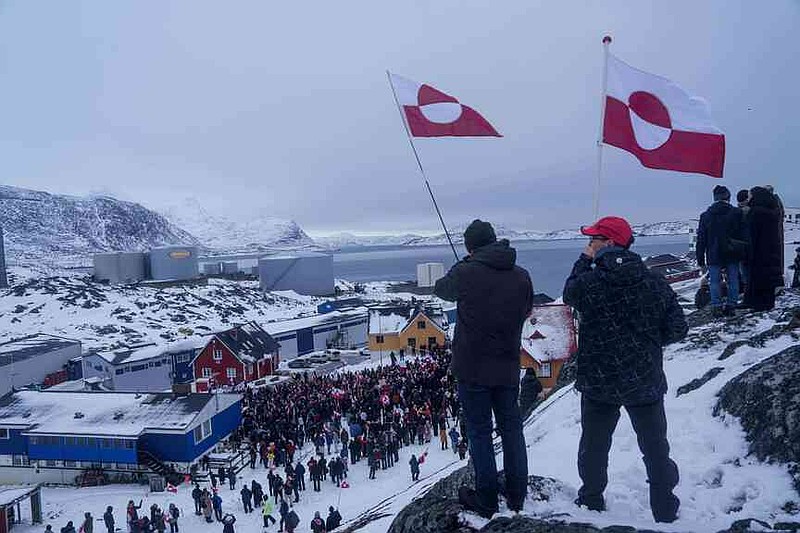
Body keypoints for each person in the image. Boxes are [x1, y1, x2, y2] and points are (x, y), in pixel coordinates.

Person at [563, 216, 688, 523]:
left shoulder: (590, 283)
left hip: (599, 381)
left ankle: (591, 500)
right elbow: (677, 328)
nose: (589, 244)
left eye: (593, 239)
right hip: (644, 379)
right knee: (655, 447)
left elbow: (569, 293)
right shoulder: (654, 282)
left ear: (608, 243)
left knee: (594, 446)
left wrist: (584, 260)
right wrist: (646, 344)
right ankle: (664, 509)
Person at [433, 219, 533, 518]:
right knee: (512, 429)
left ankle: (487, 498)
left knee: (480, 432)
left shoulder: (465, 272)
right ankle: (517, 493)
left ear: (470, 247)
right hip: (508, 365)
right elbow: (527, 309)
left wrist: (464, 264)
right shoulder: (522, 275)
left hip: (473, 368)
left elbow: (441, 290)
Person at [696, 185, 746, 316]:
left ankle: (716, 306)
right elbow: (743, 235)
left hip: (713, 253)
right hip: (732, 252)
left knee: (714, 281)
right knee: (733, 280)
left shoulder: (706, 215)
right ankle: (731, 305)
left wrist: (700, 260)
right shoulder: (737, 213)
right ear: (728, 197)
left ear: (715, 198)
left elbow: (701, 239)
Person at [745, 186, 784, 311]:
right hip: (771, 249)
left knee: (757, 276)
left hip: (758, 250)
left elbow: (751, 234)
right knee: (767, 277)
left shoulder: (755, 212)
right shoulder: (772, 211)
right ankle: (767, 302)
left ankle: (756, 303)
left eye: (750, 196)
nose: (748, 198)